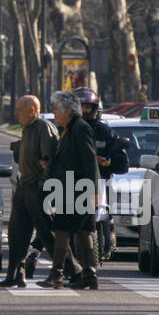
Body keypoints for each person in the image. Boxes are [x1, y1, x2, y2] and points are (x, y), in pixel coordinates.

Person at [0, 95, 58, 289]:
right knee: (17, 233)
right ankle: (15, 274)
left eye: (19, 110)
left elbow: (49, 159)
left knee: (48, 234)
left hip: (37, 188)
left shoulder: (43, 127)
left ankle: (72, 270)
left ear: (32, 110)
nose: (15, 114)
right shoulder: (28, 129)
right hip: (24, 186)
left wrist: (43, 185)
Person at [39, 90, 100, 289]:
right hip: (67, 188)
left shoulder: (80, 129)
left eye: (56, 108)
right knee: (82, 231)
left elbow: (90, 163)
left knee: (63, 229)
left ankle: (57, 275)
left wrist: (93, 192)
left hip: (77, 189)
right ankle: (89, 275)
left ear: (67, 110)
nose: (53, 112)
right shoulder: (66, 130)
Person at [75, 86, 127, 263]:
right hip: (71, 183)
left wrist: (106, 162)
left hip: (100, 182)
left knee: (104, 212)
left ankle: (109, 230)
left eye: (87, 107)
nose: (84, 111)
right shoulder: (66, 130)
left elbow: (121, 162)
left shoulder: (105, 131)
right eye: (80, 107)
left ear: (95, 109)